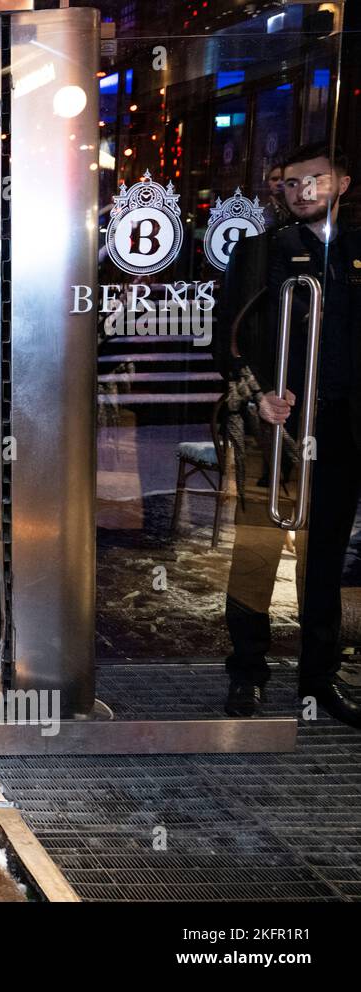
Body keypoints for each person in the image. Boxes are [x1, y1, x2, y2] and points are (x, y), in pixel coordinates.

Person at [216, 143, 361, 726]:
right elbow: (225, 342)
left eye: (316, 180)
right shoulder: (258, 254)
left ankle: (318, 680)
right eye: (292, 183)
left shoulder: (356, 251)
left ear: (342, 183)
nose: (303, 191)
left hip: (343, 431)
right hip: (275, 430)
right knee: (257, 552)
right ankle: (247, 673)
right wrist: (256, 395)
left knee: (323, 558)